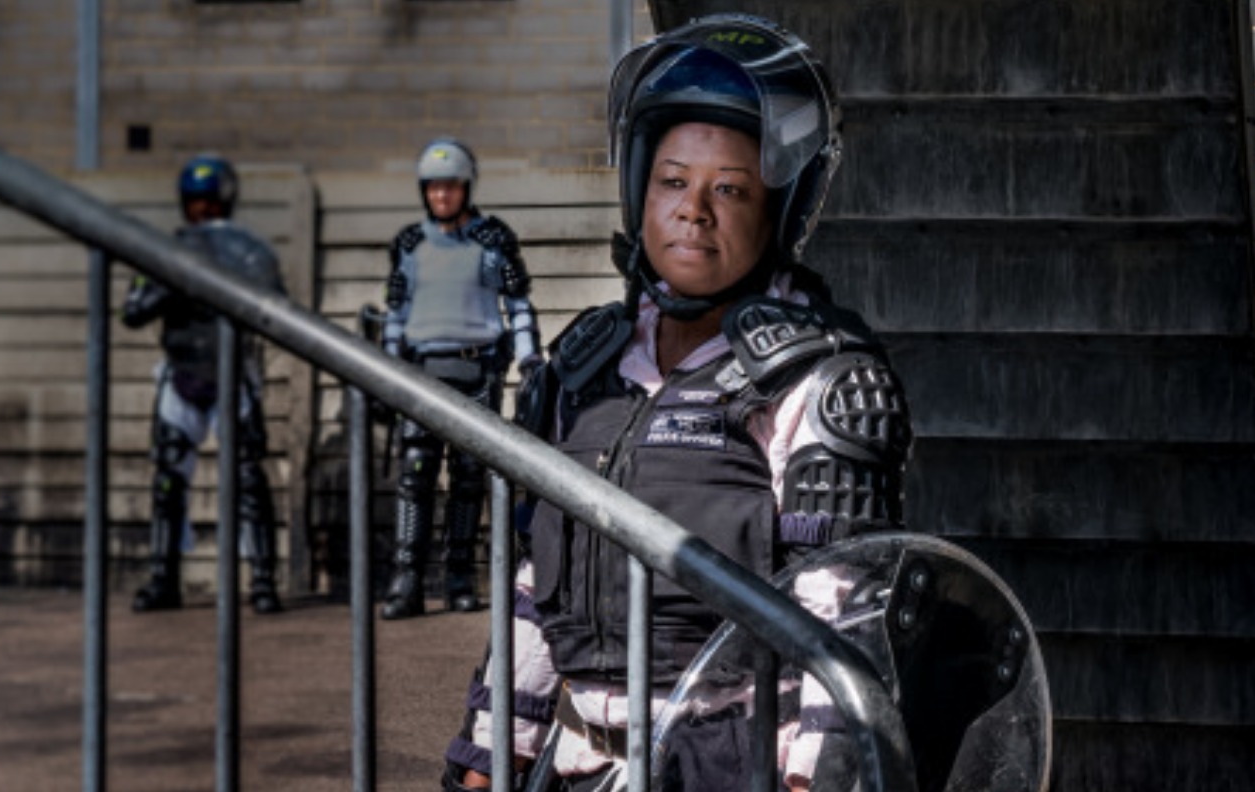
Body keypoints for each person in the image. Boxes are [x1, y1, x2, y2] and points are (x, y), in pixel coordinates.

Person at [442, 14, 912, 791]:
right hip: (578, 763)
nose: (694, 209)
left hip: (731, 762)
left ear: (780, 210)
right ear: (637, 186)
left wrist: (815, 781)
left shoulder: (818, 381)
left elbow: (842, 613)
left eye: (730, 188)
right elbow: (535, 585)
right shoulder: (581, 368)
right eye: (673, 181)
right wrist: (494, 753)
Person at [379, 137, 543, 619]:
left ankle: (459, 581)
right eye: (433, 188)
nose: (442, 196)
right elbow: (395, 313)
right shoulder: (410, 245)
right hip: (421, 374)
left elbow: (518, 306)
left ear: (466, 187)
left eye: (451, 186)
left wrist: (530, 360)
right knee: (414, 477)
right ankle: (406, 583)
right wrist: (388, 368)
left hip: (477, 372)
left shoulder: (492, 240)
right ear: (423, 191)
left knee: (469, 480)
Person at [123, 154, 287, 615]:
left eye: (210, 203)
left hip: (234, 373)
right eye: (195, 204)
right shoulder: (167, 247)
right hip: (182, 374)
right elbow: (133, 309)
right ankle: (163, 579)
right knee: (168, 483)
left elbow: (279, 310)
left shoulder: (249, 251)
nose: (203, 212)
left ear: (226, 202)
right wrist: (174, 278)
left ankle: (262, 582)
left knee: (250, 481)